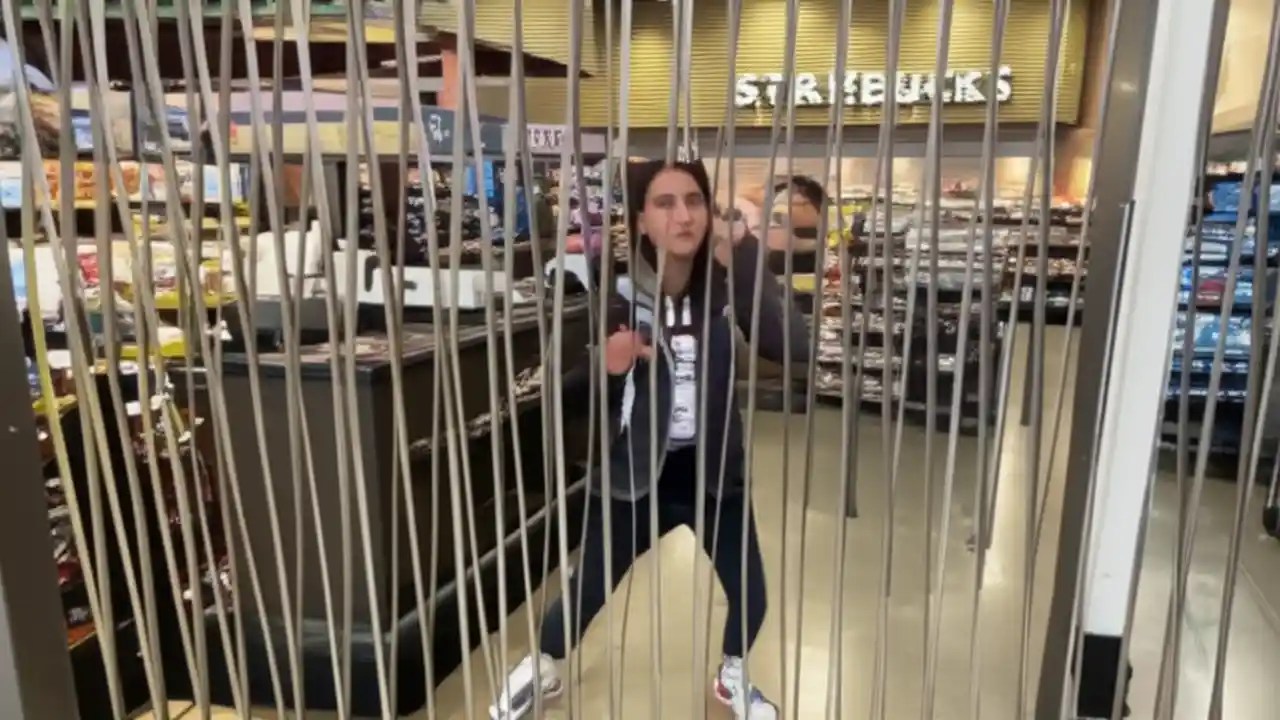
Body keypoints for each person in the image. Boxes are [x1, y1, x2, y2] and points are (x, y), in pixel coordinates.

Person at [489, 159, 809, 720]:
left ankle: (731, 678)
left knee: (751, 592)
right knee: (587, 588)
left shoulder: (726, 288)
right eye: (665, 203)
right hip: (634, 476)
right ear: (640, 219)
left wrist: (749, 251)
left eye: (695, 200)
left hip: (713, 474)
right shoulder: (613, 296)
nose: (684, 216)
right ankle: (543, 668)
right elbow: (564, 394)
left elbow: (789, 346)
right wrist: (606, 371)